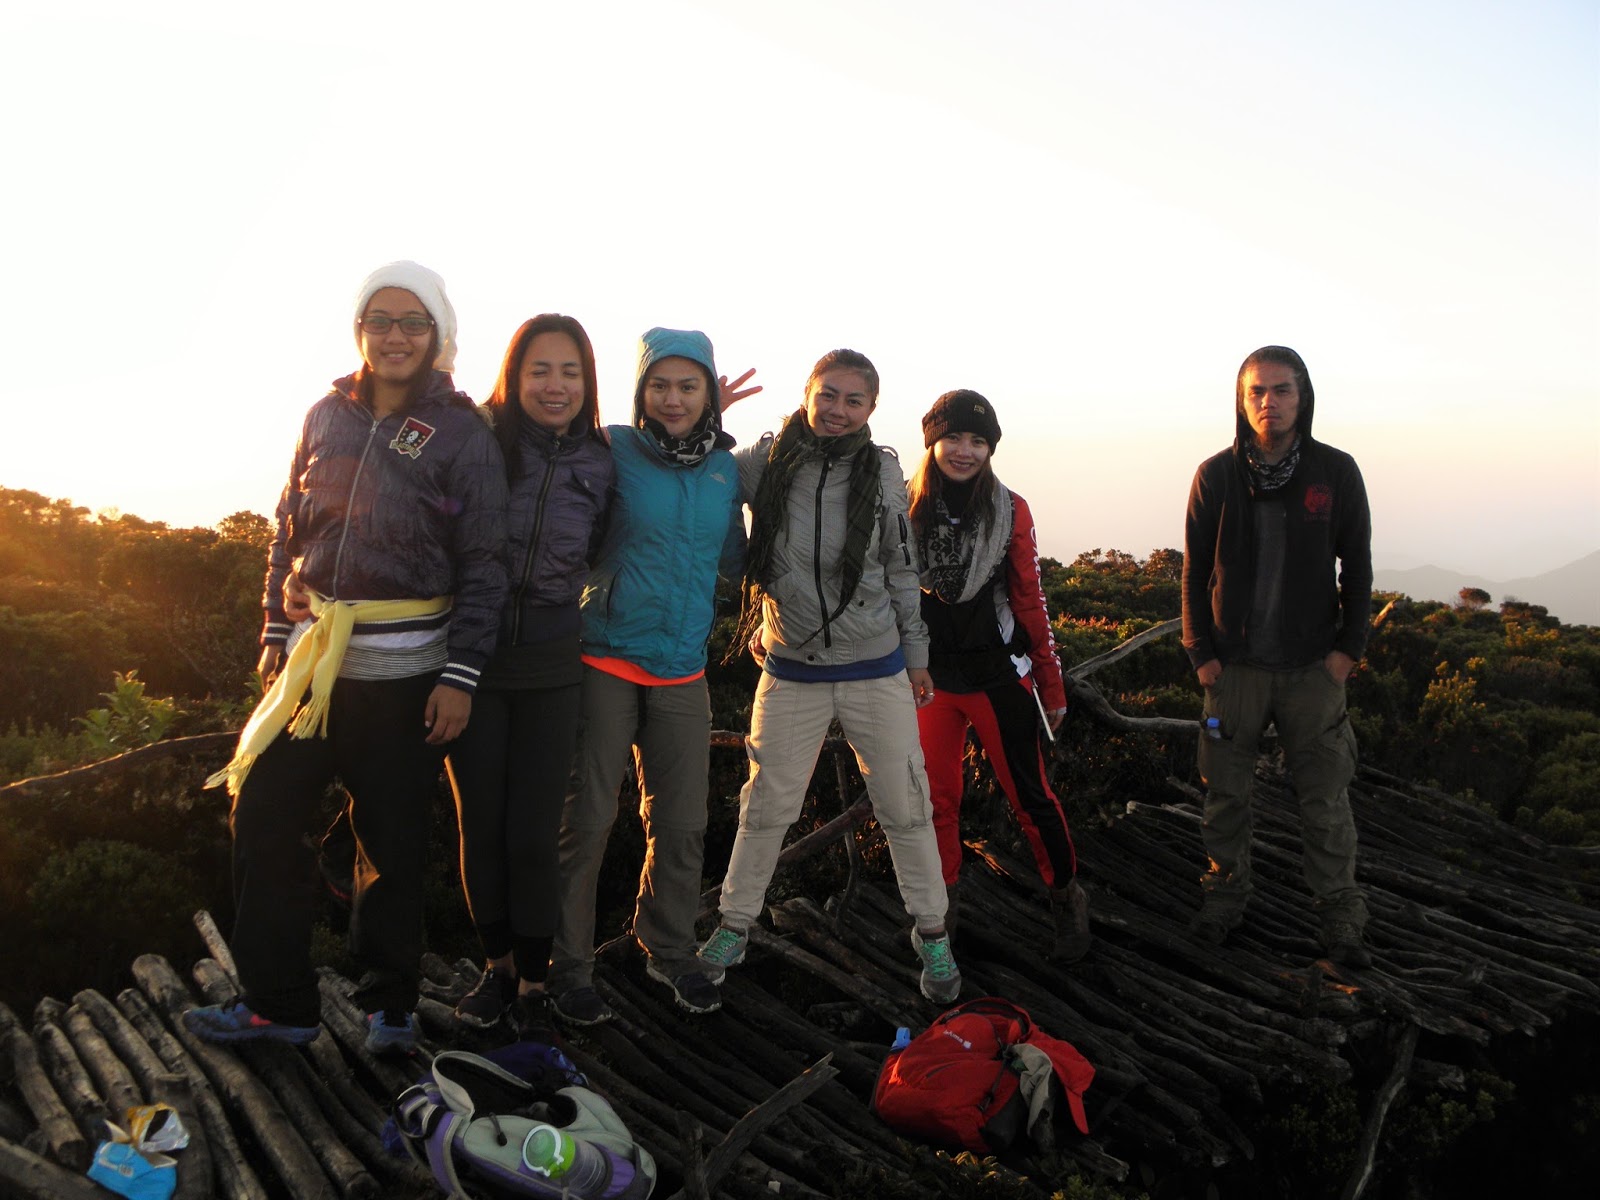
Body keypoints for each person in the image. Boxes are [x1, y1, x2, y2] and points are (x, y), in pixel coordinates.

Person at [187, 261, 509, 1053]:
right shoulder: (325, 415)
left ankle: (389, 1006)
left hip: (405, 681)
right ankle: (280, 1004)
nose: (395, 336)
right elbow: (285, 532)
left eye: (412, 323)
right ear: (359, 330)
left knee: (392, 846)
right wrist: (273, 631)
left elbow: (486, 563)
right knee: (261, 813)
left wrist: (460, 676)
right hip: (311, 670)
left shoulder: (463, 433)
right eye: (380, 321)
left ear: (439, 336)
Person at [698, 349, 962, 1005]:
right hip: (792, 667)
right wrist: (711, 419)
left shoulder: (883, 469)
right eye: (829, 395)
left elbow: (902, 570)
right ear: (808, 393)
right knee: (766, 809)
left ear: (871, 409)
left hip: (876, 666)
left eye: (854, 401)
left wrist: (918, 655)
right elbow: (698, 480)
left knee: (906, 807)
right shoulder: (764, 461)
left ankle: (933, 935)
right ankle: (734, 926)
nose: (838, 411)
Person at [546, 328, 748, 1021]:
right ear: (639, 391)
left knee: (684, 819)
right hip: (604, 653)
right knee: (590, 817)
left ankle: (668, 949)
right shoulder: (611, 448)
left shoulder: (724, 469)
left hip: (681, 666)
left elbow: (736, 559)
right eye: (659, 385)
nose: (672, 398)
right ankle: (567, 966)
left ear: (709, 393)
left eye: (688, 386)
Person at [447, 315, 614, 1031]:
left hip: (551, 660)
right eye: (540, 370)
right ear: (514, 377)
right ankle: (498, 970)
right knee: (479, 825)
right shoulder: (480, 439)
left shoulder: (603, 461)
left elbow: (602, 544)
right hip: (471, 658)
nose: (555, 385)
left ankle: (537, 983)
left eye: (570, 372)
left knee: (533, 832)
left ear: (588, 382)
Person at [1182, 345, 1373, 967]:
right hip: (1234, 668)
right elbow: (1194, 572)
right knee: (1226, 793)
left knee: (1324, 796)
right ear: (1242, 401)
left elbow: (1359, 567)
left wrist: (1348, 651)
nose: (1270, 402)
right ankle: (1224, 900)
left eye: (1282, 390)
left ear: (1303, 396)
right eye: (1257, 392)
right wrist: (1201, 654)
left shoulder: (1336, 472)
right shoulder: (1216, 475)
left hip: (1312, 667)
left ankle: (1340, 916)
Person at [907, 389, 1090, 961]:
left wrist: (1051, 683)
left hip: (997, 675)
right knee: (933, 803)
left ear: (991, 449)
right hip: (930, 680)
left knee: (1029, 797)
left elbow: (1029, 600)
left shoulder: (1010, 509)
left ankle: (1067, 902)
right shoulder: (904, 506)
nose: (964, 451)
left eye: (978, 441)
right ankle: (942, 918)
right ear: (932, 440)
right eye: (953, 437)